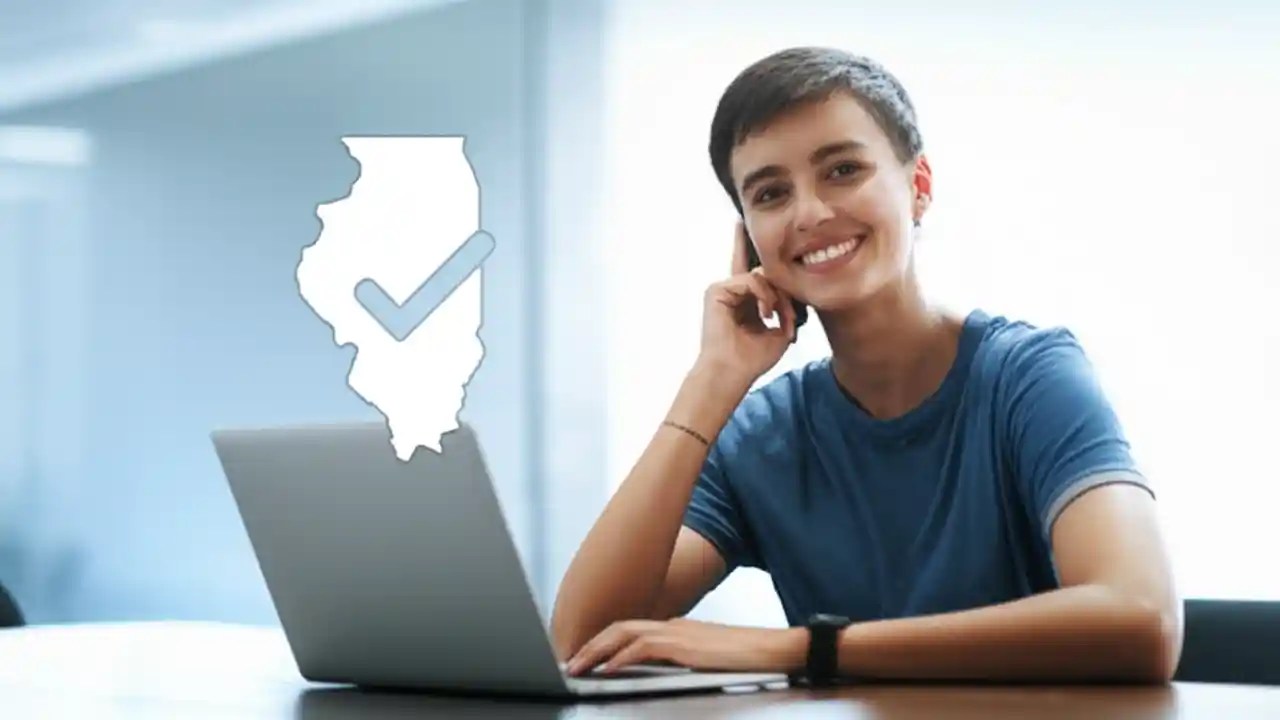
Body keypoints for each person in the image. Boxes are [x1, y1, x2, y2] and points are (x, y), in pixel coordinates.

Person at [550, 46, 1182, 684]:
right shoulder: (764, 434)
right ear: (749, 238)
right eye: (771, 194)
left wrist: (801, 648)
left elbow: (1142, 619)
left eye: (843, 170)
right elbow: (582, 643)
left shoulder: (1028, 377)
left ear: (919, 187)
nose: (811, 213)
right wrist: (712, 381)